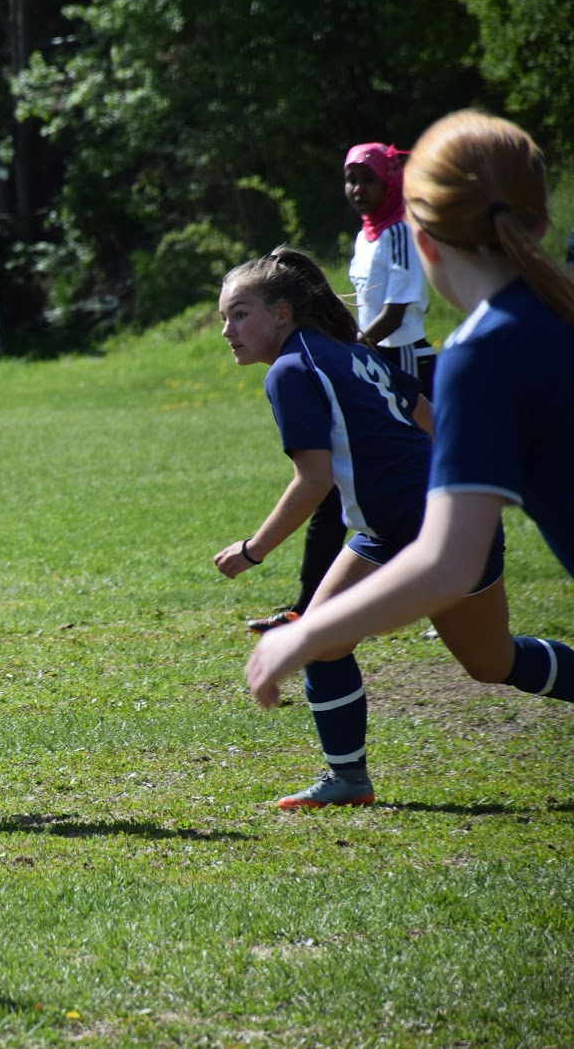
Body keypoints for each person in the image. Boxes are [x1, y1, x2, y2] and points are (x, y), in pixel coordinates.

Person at [212, 245, 572, 809]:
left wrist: (253, 551)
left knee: (485, 661)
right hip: (407, 525)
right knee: (349, 645)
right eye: (223, 318)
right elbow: (431, 418)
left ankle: (348, 778)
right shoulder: (348, 352)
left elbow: (314, 479)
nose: (228, 330)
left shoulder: (291, 369)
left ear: (282, 313)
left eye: (240, 314)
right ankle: (348, 779)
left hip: (421, 528)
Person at [247, 111, 574, 709]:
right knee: (489, 661)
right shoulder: (549, 321)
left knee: (488, 659)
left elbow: (449, 561)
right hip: (385, 519)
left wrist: (310, 633)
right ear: (543, 220)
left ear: (422, 241)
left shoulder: (480, 357)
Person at [245, 143, 432, 637]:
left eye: (366, 179)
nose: (356, 189)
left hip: (396, 354)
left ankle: (438, 574)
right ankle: (311, 604)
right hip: (360, 356)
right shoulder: (364, 238)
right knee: (493, 660)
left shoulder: (398, 235)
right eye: (349, 179)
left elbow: (397, 309)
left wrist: (352, 350)